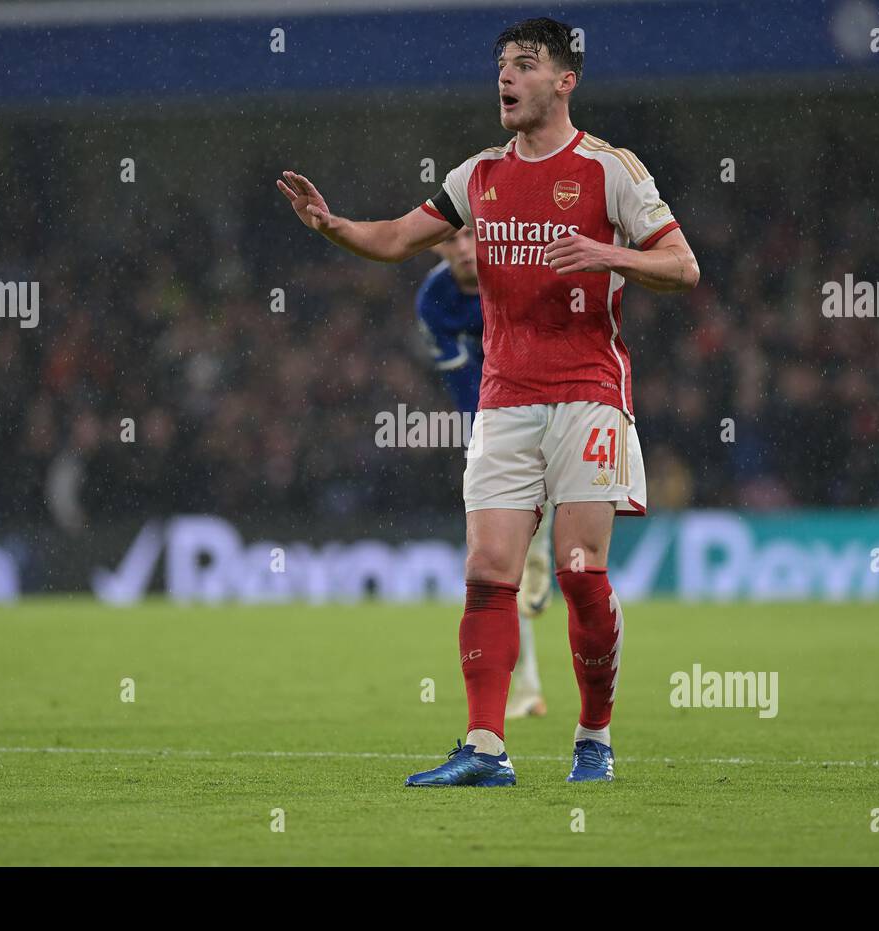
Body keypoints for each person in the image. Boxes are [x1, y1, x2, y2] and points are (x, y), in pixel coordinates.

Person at [276, 16, 699, 786]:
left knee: (577, 571)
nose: (506, 77)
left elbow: (683, 266)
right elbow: (397, 238)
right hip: (504, 400)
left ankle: (594, 739)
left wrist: (605, 252)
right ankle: (485, 748)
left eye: (525, 64)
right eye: (501, 64)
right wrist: (331, 225)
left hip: (588, 393)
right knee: (488, 570)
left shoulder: (610, 170)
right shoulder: (477, 177)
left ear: (565, 81)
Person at [415, 223, 550, 720]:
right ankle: (527, 690)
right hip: (493, 409)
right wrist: (486, 438)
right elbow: (463, 382)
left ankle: (543, 547)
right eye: (451, 240)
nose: (464, 249)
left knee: (538, 545)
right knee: (496, 565)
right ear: (437, 246)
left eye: (471, 236)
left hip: (550, 392)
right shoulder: (435, 300)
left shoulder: (513, 271)